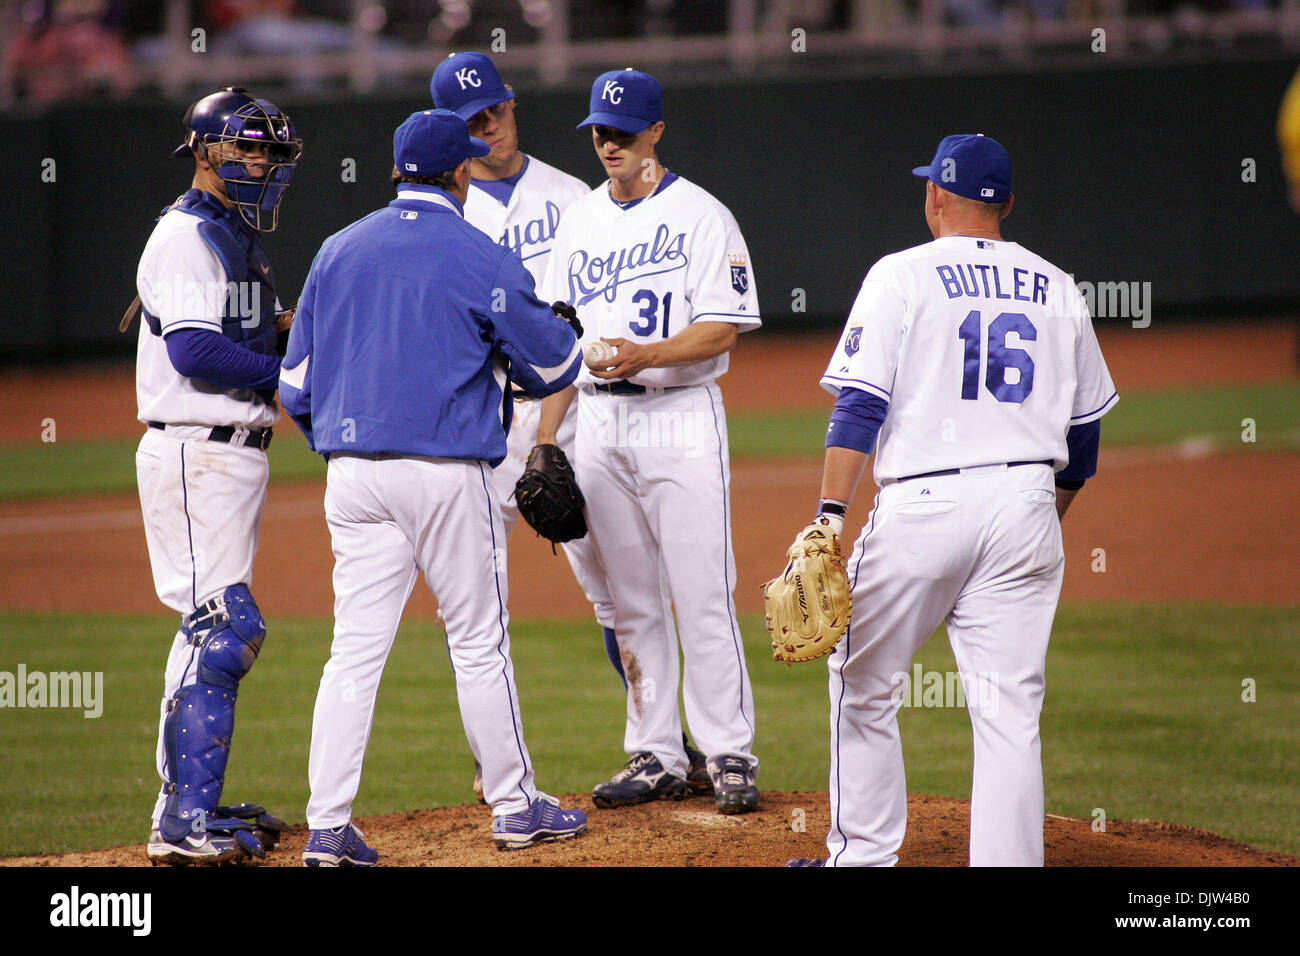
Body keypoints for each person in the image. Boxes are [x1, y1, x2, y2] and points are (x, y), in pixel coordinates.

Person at [789, 134, 1118, 867]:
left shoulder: (901, 274)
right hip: (1029, 499)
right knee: (1008, 714)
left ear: (934, 196)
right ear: (1007, 203)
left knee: (863, 678)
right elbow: (1086, 435)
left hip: (925, 505)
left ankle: (864, 857)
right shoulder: (1057, 284)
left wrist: (829, 520)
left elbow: (859, 408)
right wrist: (1038, 522)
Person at [279, 108, 588, 864]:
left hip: (353, 479)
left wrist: (346, 443)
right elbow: (554, 368)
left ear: (394, 170)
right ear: (461, 173)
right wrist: (558, 331)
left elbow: (294, 387)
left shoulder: (336, 250)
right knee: (479, 643)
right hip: (450, 476)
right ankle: (515, 806)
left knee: (352, 652)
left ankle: (326, 827)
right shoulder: (479, 253)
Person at [430, 51, 710, 800]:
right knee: (474, 597)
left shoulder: (571, 195)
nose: (486, 127)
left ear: (511, 102)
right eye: (471, 122)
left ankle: (666, 746)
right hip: (484, 420)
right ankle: (497, 770)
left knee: (616, 593)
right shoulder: (447, 208)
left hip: (571, 411)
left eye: (493, 111)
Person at [538, 69, 762, 815]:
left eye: (623, 133)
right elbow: (559, 338)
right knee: (631, 601)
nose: (609, 144)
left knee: (702, 593)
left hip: (679, 414)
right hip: (598, 421)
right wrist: (547, 441)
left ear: (656, 132)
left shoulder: (703, 215)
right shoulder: (579, 221)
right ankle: (657, 753)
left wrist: (649, 355)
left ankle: (729, 752)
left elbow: (722, 326)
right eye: (600, 131)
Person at [135, 86, 302, 865]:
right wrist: (289, 375)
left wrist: (308, 327)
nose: (261, 163)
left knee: (206, 630)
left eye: (269, 151)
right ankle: (184, 824)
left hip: (224, 457)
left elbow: (249, 326)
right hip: (195, 449)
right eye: (246, 148)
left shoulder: (234, 237)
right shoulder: (185, 237)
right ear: (205, 153)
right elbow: (196, 353)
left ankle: (182, 811)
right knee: (227, 627)